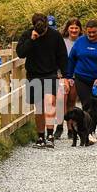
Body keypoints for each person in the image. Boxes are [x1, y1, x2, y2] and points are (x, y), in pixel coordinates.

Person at [16, 13, 67, 147]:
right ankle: (40, 136)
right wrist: (31, 40)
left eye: (43, 30)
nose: (42, 32)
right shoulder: (27, 35)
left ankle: (50, 134)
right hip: (33, 74)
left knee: (49, 102)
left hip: (50, 72)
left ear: (46, 26)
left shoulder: (55, 36)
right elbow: (20, 53)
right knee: (38, 107)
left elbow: (62, 56)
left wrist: (65, 76)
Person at [67, 19, 97, 142]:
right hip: (81, 78)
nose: (91, 35)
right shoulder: (80, 42)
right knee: (86, 104)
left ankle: (92, 130)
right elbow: (72, 59)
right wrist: (68, 76)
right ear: (85, 31)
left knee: (95, 106)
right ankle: (85, 132)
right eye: (89, 33)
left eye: (94, 32)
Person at [54, 18, 82, 138]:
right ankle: (59, 127)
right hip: (62, 75)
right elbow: (56, 57)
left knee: (71, 101)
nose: (74, 30)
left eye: (76, 28)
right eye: (72, 27)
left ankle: (71, 129)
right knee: (61, 101)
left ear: (80, 30)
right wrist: (58, 72)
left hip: (76, 75)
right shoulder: (62, 41)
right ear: (67, 29)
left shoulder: (82, 42)